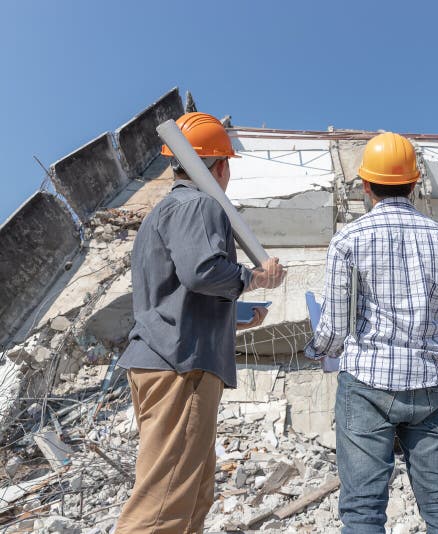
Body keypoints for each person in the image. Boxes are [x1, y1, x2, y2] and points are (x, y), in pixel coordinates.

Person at [115, 112, 285, 533]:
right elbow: (202, 272)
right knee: (164, 506)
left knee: (193, 496)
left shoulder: (164, 212)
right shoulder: (202, 204)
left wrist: (236, 317)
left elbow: (177, 293)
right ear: (222, 166)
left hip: (165, 358)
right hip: (182, 366)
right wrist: (253, 277)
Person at [305, 132, 438, 533]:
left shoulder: (348, 239)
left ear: (366, 186)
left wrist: (317, 349)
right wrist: (427, 339)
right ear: (415, 183)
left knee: (364, 509)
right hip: (428, 383)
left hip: (366, 383)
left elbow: (333, 328)